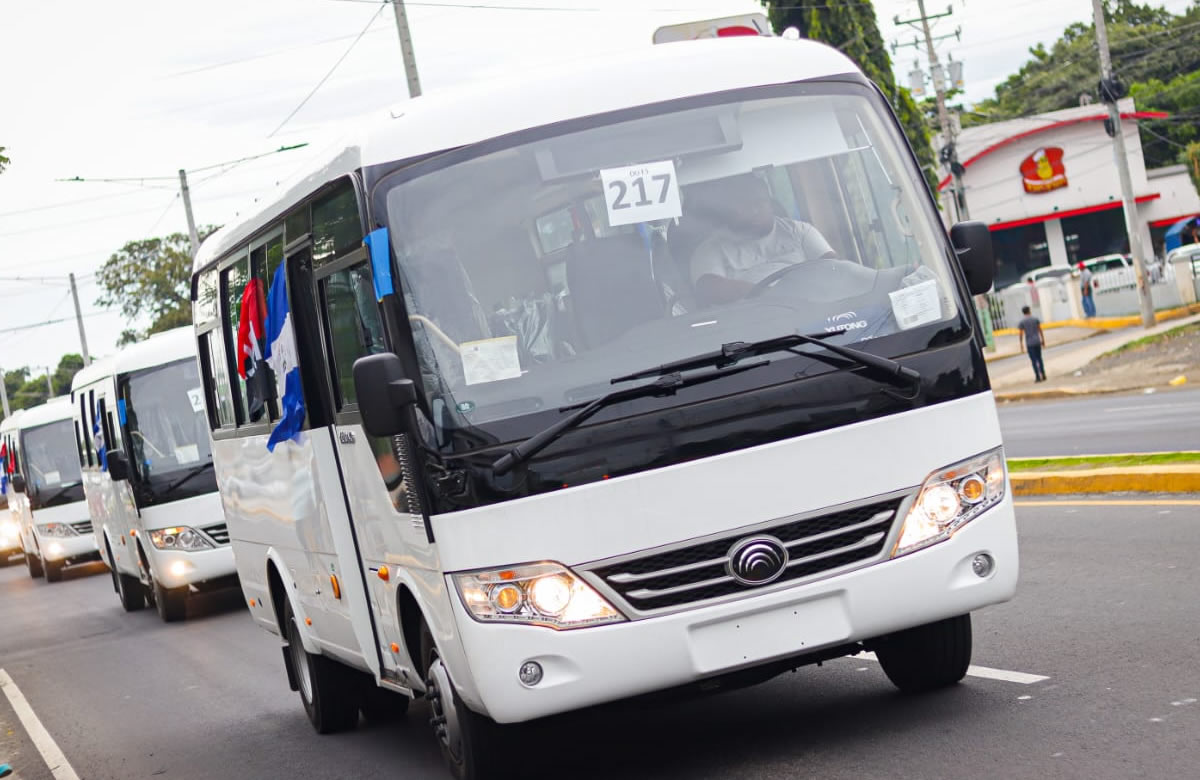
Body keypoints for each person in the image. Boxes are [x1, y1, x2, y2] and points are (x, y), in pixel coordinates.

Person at [689, 174, 837, 306]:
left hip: (812, 311)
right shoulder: (710, 249)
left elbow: (834, 269)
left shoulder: (800, 231)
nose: (754, 211)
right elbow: (708, 288)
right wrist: (769, 295)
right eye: (745, 206)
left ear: (770, 204)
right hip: (755, 327)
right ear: (730, 211)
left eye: (759, 203)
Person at [1018, 305, 1047, 382]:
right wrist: (1043, 340)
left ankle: (1037, 376)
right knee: (1039, 358)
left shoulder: (1022, 322)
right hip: (1037, 341)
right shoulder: (1035, 319)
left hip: (1029, 344)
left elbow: (1021, 334)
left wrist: (1021, 344)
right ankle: (1043, 374)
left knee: (1033, 361)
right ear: (1029, 310)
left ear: (1023, 312)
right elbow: (1040, 330)